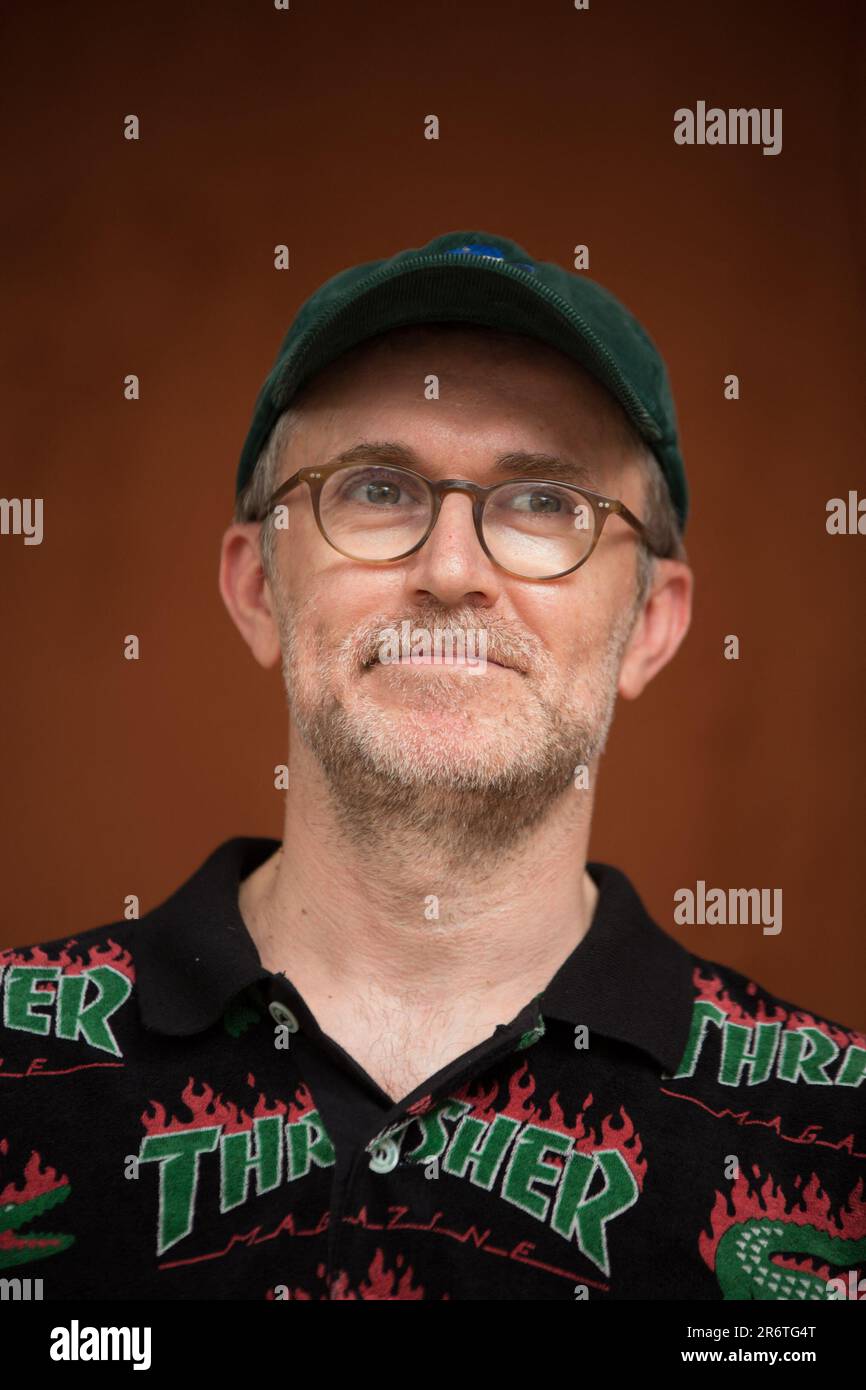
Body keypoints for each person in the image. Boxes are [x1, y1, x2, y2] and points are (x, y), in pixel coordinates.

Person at [2, 231, 864, 1302]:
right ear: (258, 589)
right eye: (375, 488)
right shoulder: (19, 1057)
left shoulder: (832, 1136)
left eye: (546, 502)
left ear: (650, 624)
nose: (450, 571)